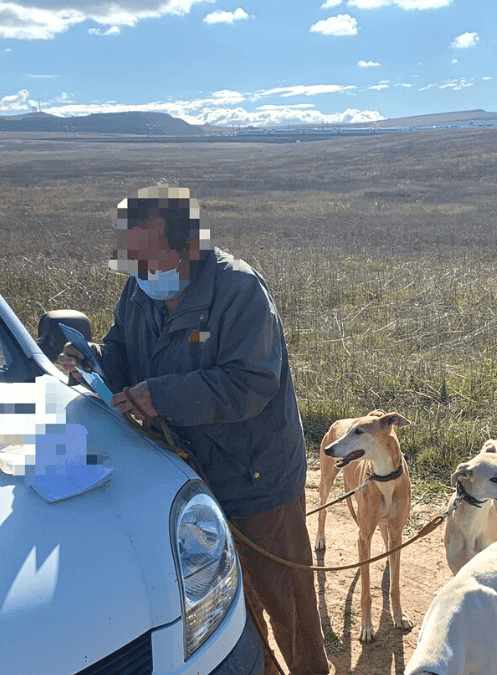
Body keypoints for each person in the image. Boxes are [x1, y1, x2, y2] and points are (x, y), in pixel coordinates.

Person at [59, 185, 332, 675]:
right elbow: (124, 349)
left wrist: (160, 395)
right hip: (187, 478)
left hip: (257, 482)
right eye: (127, 255)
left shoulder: (239, 290)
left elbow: (252, 382)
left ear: (188, 248)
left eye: (142, 255)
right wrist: (94, 361)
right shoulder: (140, 288)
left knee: (289, 610)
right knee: (228, 607)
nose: (131, 266)